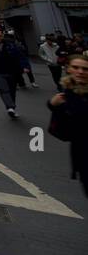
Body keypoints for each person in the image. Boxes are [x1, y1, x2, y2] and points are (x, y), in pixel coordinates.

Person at [48, 54, 88, 198]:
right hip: (83, 155)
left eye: (85, 69)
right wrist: (54, 106)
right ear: (68, 69)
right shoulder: (65, 96)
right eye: (76, 67)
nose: (81, 72)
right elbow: (62, 133)